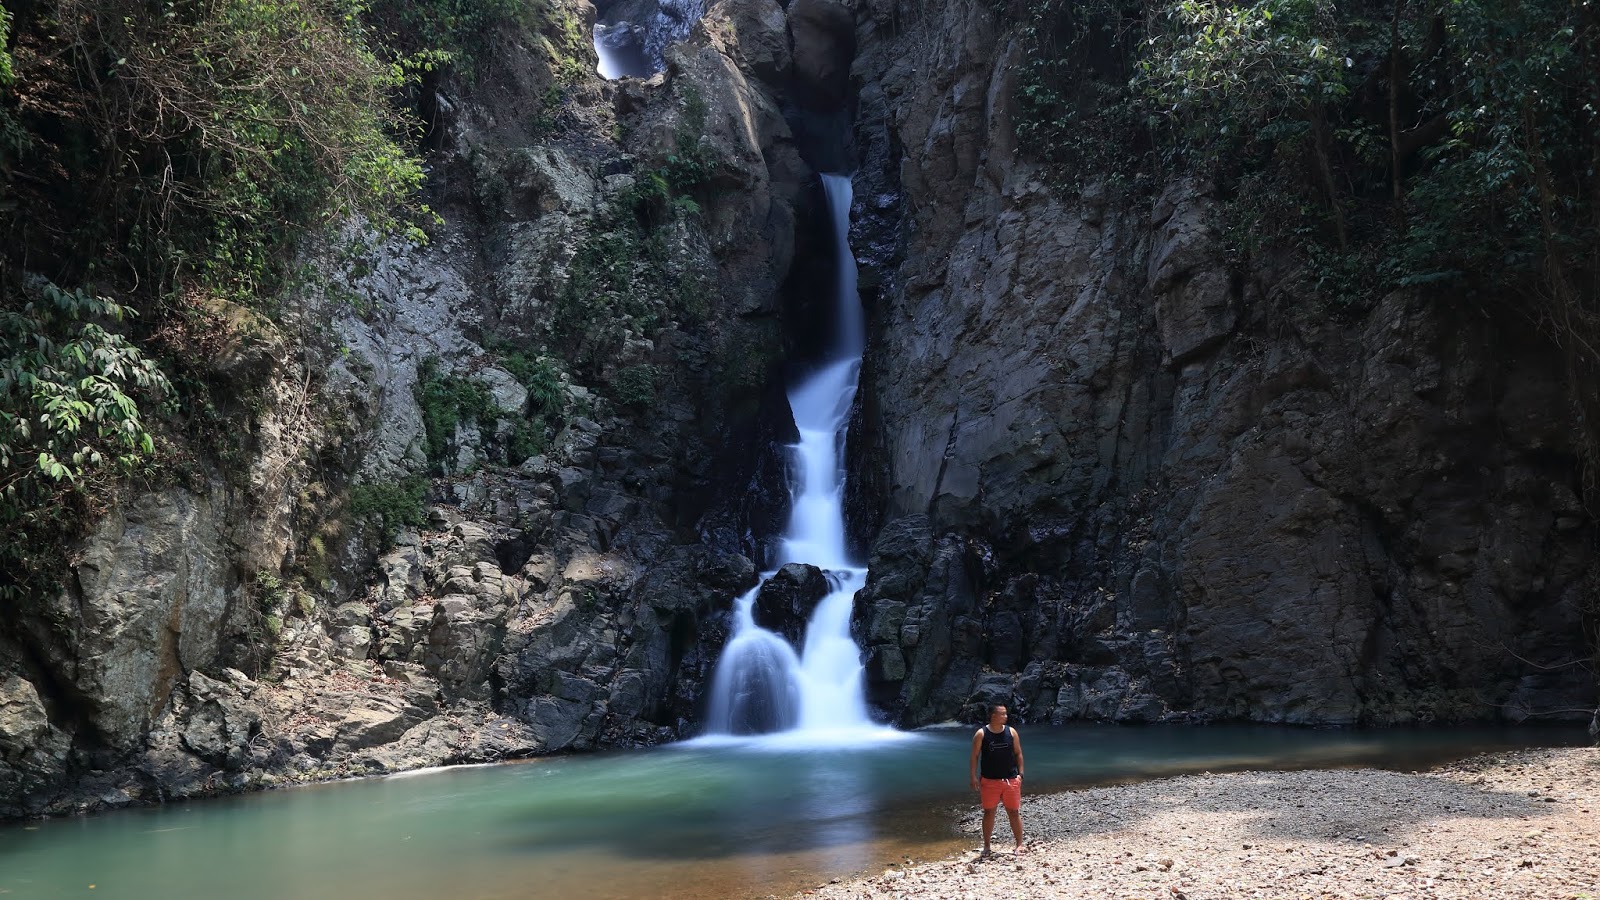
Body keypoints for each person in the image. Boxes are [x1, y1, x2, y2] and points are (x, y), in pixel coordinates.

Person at [968, 702, 1025, 857]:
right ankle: (987, 846)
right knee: (989, 812)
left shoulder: (1011, 732)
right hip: (989, 781)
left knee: (1014, 812)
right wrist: (973, 776)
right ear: (993, 716)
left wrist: (1021, 774)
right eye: (1002, 714)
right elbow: (974, 756)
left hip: (1011, 780)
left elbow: (1018, 753)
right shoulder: (981, 733)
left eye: (1006, 714)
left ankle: (1019, 845)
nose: (1006, 716)